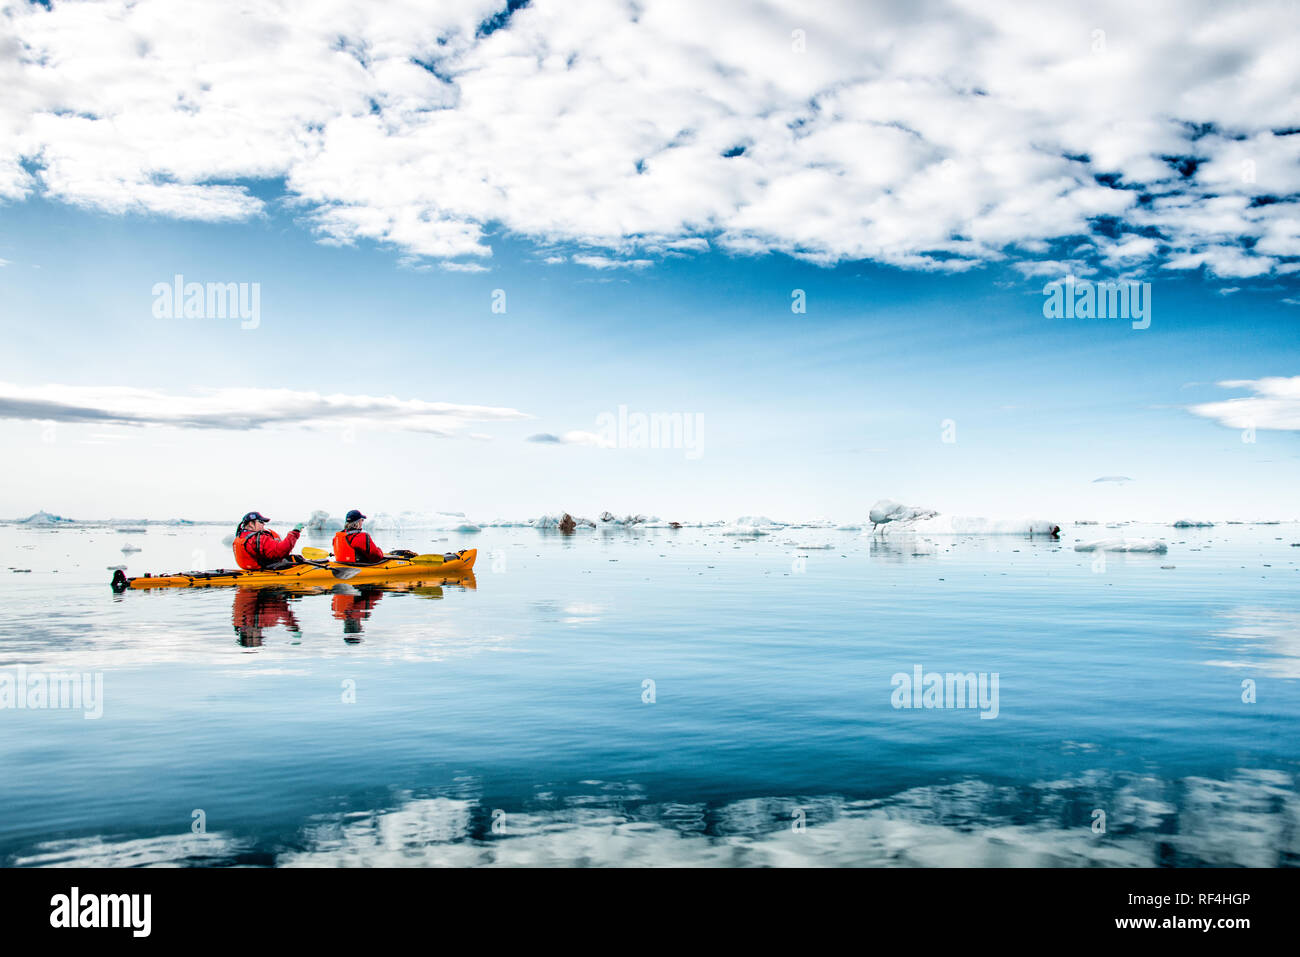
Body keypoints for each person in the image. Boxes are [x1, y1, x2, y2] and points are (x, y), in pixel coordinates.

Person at [232, 511, 304, 571]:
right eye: (261, 522)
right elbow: (280, 552)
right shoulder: (258, 538)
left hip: (250, 569)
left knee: (294, 558)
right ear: (251, 523)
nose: (263, 524)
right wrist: (295, 532)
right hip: (263, 569)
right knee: (294, 560)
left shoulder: (240, 537)